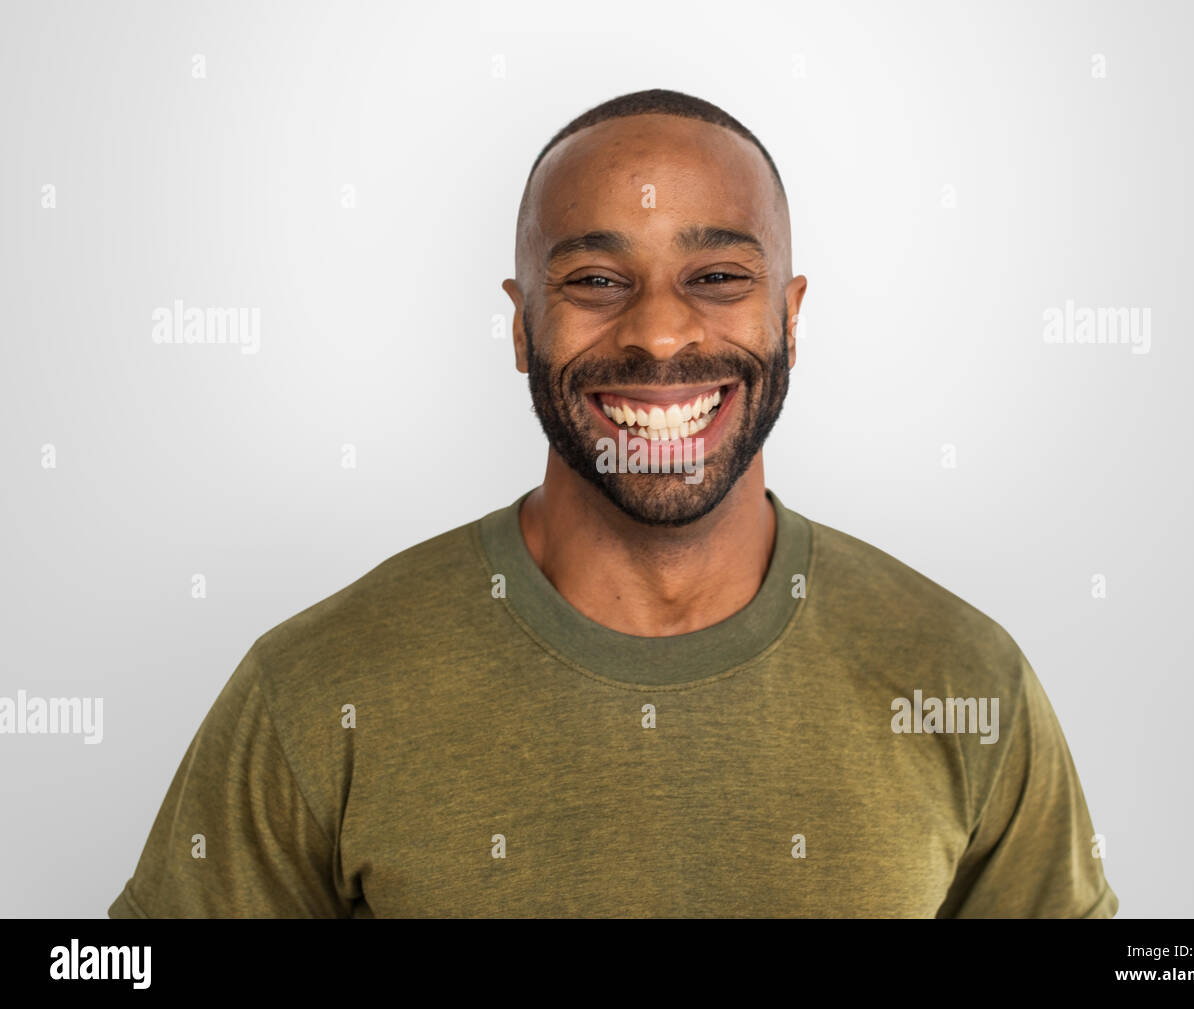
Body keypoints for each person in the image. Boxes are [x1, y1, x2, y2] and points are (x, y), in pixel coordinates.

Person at [109, 88, 1118, 918]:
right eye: (596, 278)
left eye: (717, 275)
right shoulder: (318, 685)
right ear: (521, 325)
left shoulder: (961, 677)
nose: (664, 334)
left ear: (791, 316)